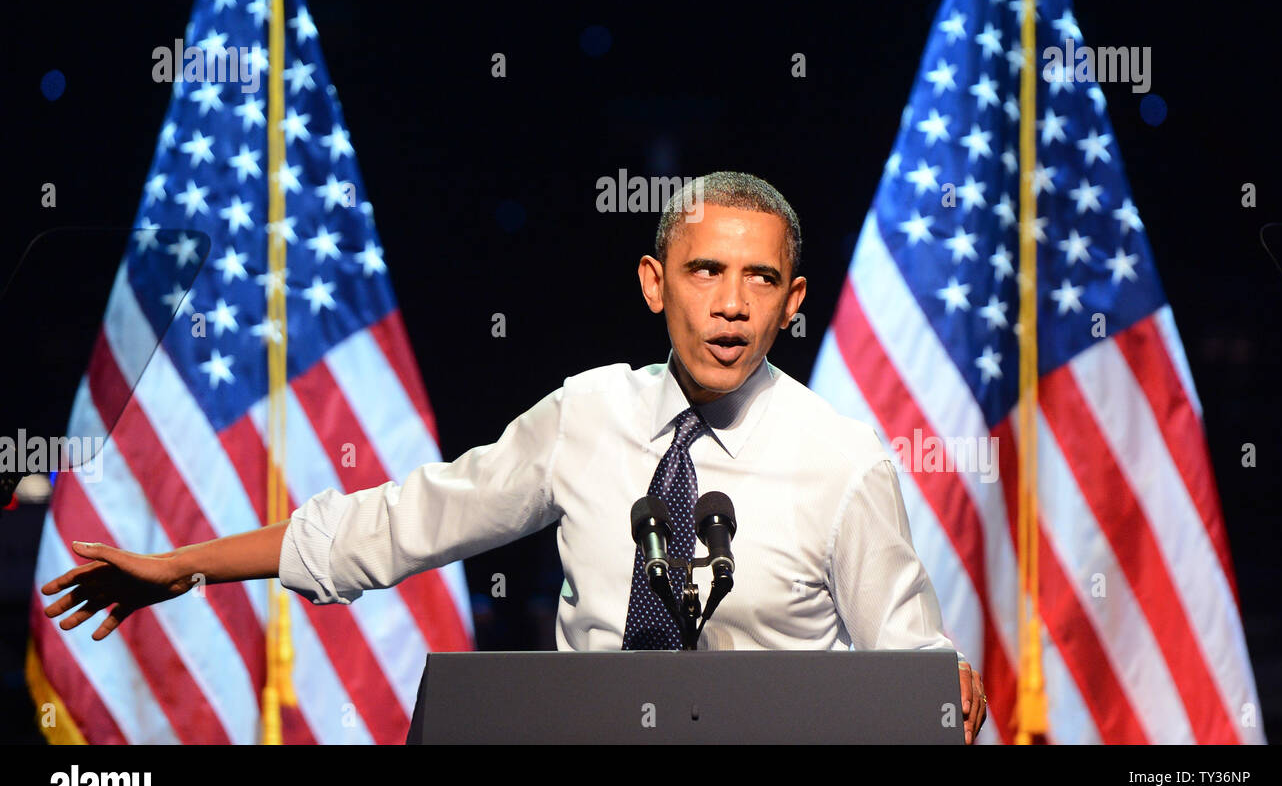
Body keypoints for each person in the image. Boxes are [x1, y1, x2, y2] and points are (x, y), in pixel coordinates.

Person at [43, 171, 988, 742]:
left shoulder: (843, 459)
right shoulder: (586, 414)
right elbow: (393, 526)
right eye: (706, 271)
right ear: (656, 284)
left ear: (794, 301)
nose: (732, 304)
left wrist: (943, 684)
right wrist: (183, 565)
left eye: (761, 278)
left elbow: (913, 679)